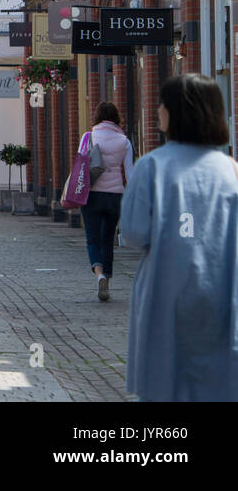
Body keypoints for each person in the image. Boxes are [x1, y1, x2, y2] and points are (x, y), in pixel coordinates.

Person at [121, 74, 238, 400]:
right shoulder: (232, 171)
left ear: (177, 112)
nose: (157, 109)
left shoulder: (151, 167)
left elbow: (132, 233)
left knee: (164, 384)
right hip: (220, 295)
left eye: (163, 103)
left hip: (165, 295)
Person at [82, 101, 134, 302]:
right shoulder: (125, 141)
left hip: (92, 194)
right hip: (115, 196)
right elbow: (130, 173)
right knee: (107, 240)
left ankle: (99, 275)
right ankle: (107, 283)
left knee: (93, 239)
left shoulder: (89, 137)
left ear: (96, 117)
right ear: (116, 118)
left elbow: (80, 165)